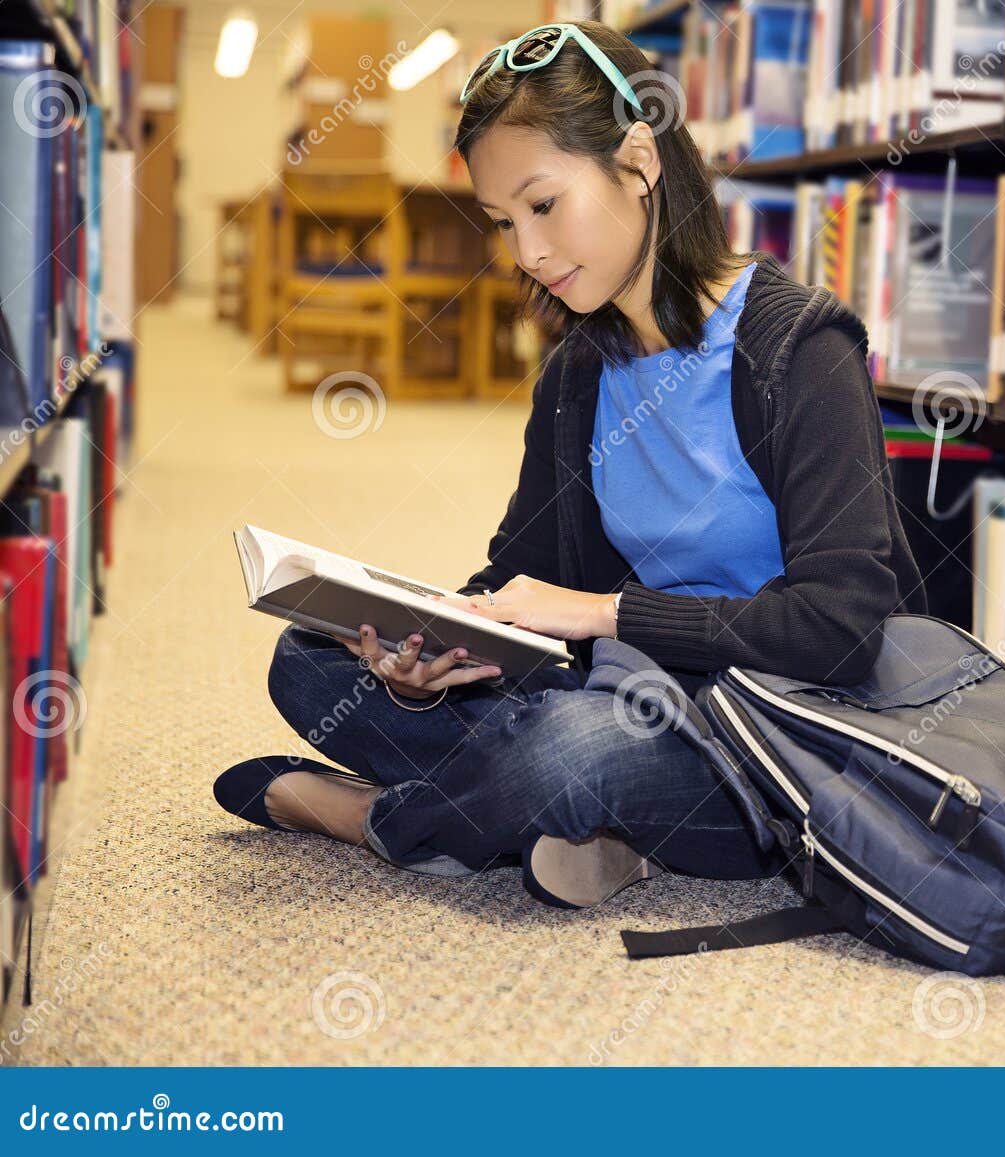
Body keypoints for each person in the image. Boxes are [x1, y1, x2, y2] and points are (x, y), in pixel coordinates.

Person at [213, 19, 926, 908]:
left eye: (543, 205)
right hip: (621, 694)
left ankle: (380, 819)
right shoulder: (579, 372)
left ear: (639, 160)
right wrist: (439, 650)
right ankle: (586, 828)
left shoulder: (798, 350)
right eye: (506, 222)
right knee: (308, 661)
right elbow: (524, 574)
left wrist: (601, 612)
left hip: (778, 740)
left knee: (569, 749)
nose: (528, 252)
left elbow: (845, 625)